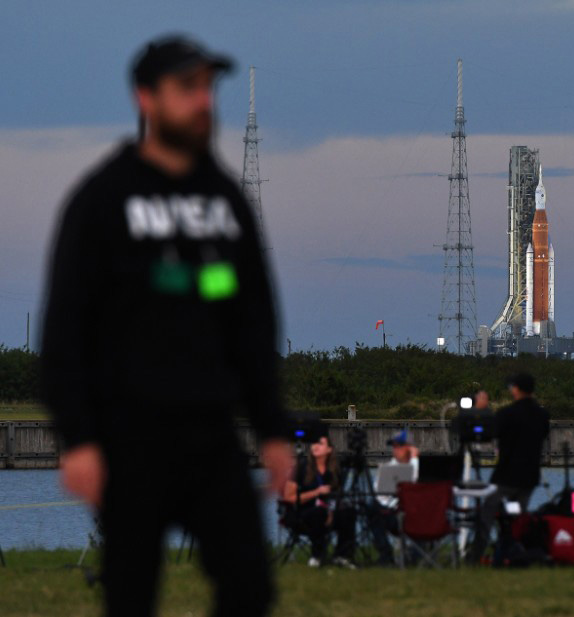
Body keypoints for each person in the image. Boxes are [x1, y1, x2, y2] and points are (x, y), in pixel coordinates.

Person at [39, 36, 293, 616]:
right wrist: (78, 440)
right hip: (129, 439)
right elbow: (64, 329)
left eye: (208, 88)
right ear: (146, 98)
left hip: (212, 437)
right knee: (131, 594)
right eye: (187, 88)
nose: (203, 101)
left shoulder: (225, 201)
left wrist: (272, 428)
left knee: (249, 585)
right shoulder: (105, 198)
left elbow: (252, 324)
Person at [468, 373, 550, 565]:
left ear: (516, 389)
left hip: (506, 477)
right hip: (529, 478)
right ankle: (514, 555)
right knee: (517, 519)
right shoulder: (542, 415)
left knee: (487, 516)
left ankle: (474, 557)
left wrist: (481, 410)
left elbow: (485, 432)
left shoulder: (507, 414)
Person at [282, 435, 357, 568]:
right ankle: (317, 556)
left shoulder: (334, 470)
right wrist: (316, 492)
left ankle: (342, 556)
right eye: (314, 443)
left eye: (320, 443)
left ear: (329, 449)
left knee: (349, 512)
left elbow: (337, 496)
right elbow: (289, 497)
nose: (315, 446)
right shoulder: (301, 467)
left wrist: (331, 511)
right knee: (318, 512)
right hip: (303, 512)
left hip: (328, 510)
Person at [367, 430, 420, 566]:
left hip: (418, 516)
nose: (396, 450)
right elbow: (379, 495)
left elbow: (415, 479)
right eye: (394, 446)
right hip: (394, 515)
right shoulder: (388, 468)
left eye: (400, 446)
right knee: (373, 509)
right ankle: (386, 555)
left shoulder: (420, 466)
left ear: (410, 447)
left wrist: (414, 459)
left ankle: (415, 556)